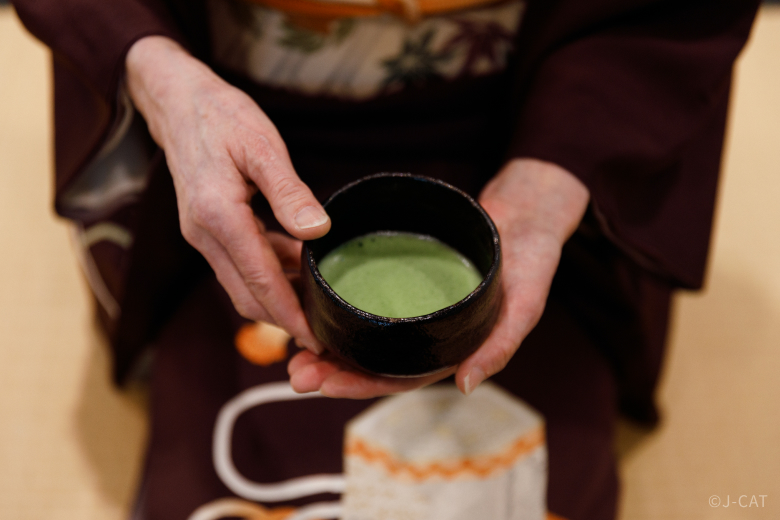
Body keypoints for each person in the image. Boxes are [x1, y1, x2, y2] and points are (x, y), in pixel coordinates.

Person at [13, 0, 759, 518]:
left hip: (535, 122)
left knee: (527, 484)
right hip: (238, 134)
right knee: (219, 489)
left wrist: (556, 173)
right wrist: (162, 81)